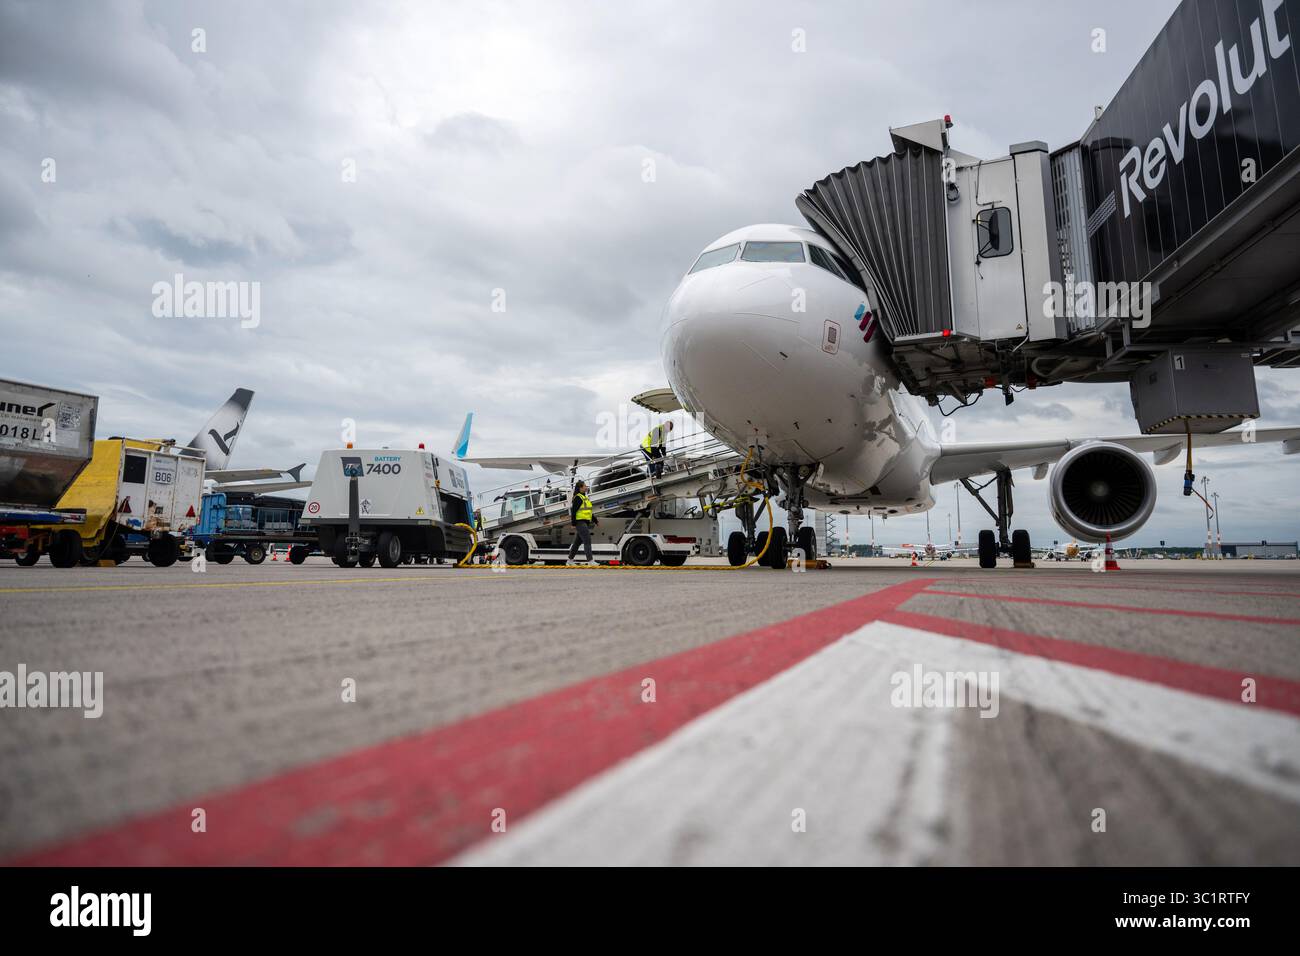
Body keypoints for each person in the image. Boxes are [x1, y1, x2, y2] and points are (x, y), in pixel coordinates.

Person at [566, 480, 597, 565]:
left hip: (585, 522)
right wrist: (573, 524)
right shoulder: (578, 497)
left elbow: (589, 511)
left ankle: (569, 560)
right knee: (587, 540)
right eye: (585, 486)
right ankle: (590, 561)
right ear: (580, 488)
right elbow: (574, 511)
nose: (586, 487)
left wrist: (595, 520)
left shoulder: (585, 497)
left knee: (577, 543)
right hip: (580, 522)